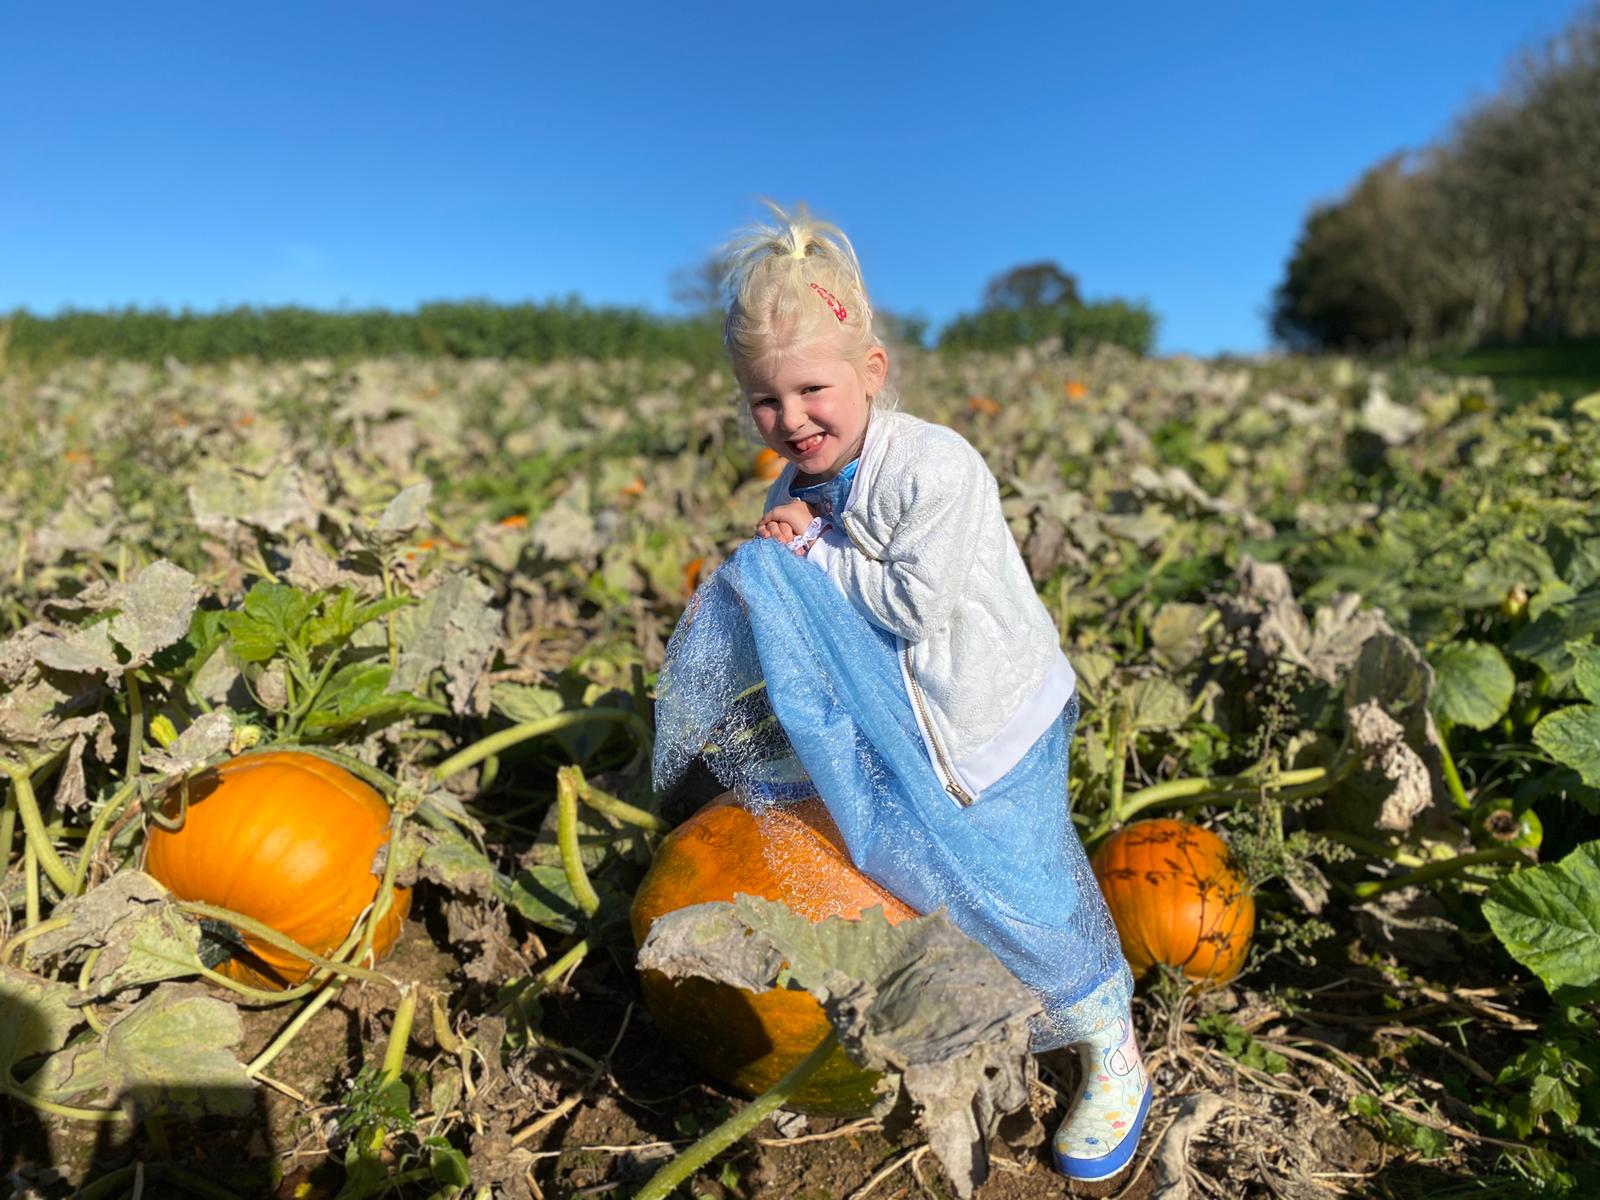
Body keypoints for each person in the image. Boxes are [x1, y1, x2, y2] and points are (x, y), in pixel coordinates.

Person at [653, 200, 1150, 1184]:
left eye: (811, 389)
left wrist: (808, 560)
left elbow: (912, 606)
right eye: (764, 400)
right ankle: (1018, 1011)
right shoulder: (789, 489)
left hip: (991, 725)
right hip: (910, 733)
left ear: (869, 374)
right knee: (942, 889)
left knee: (1030, 897)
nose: (791, 418)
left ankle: (1111, 1054)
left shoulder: (936, 469)